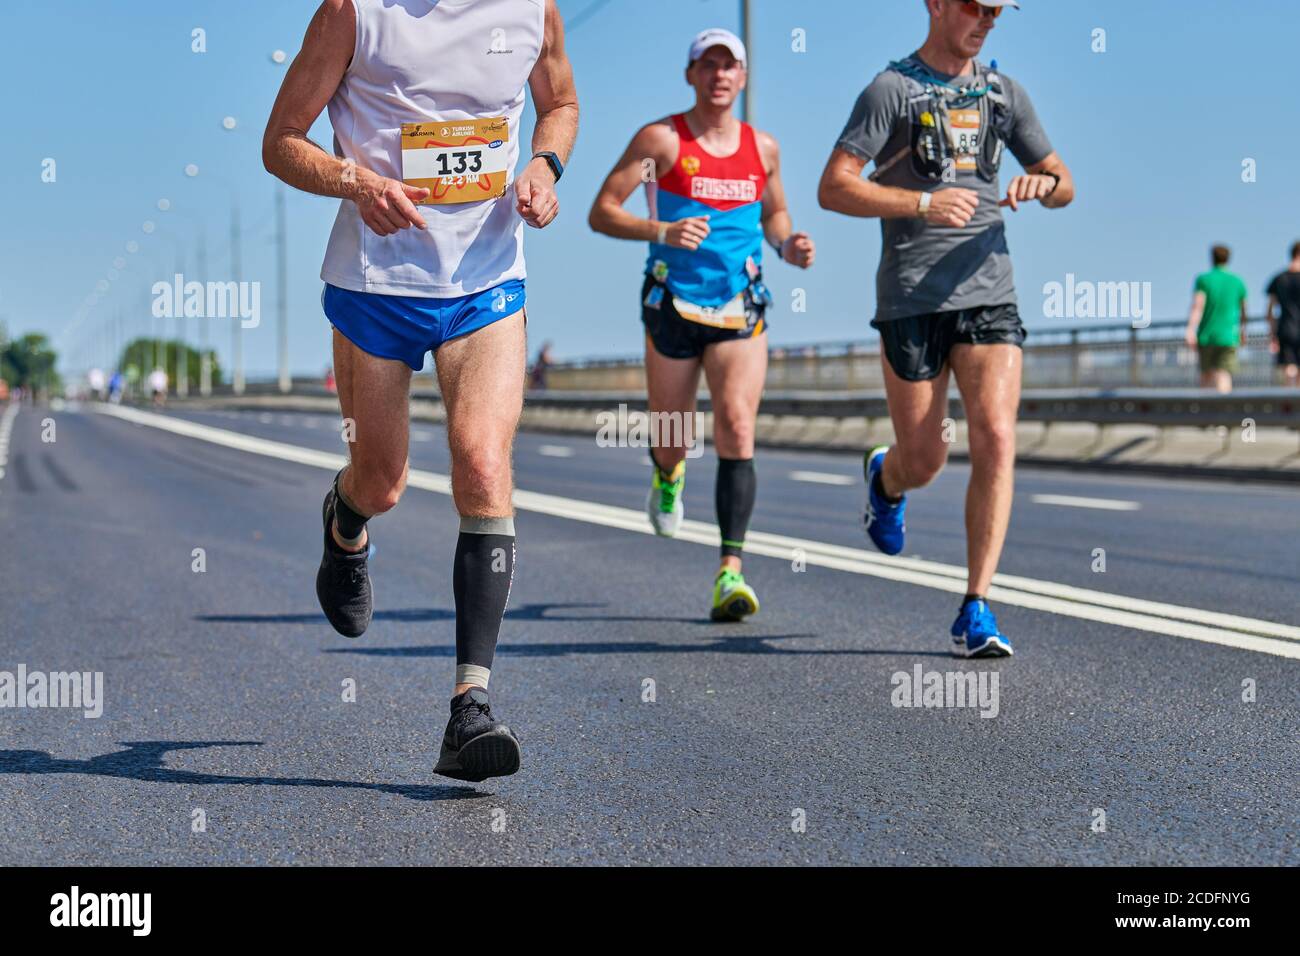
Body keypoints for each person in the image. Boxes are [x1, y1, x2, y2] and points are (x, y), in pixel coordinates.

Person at [262, 0, 577, 782]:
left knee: (481, 466)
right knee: (385, 481)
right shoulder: (353, 12)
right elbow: (280, 144)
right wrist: (353, 178)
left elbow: (560, 104)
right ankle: (346, 524)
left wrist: (545, 164)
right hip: (376, 286)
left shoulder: (532, 10)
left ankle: (471, 705)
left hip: (487, 283)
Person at [817, 0, 1073, 657]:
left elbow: (1063, 179)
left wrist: (1040, 186)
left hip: (990, 290)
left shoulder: (1002, 93)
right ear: (935, 4)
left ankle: (976, 606)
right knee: (926, 459)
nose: (987, 20)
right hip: (911, 297)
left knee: (994, 433)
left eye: (997, 11)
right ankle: (887, 479)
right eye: (975, 6)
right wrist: (921, 203)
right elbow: (835, 187)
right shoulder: (891, 90)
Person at [588, 28, 815, 622]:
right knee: (673, 436)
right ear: (690, 74)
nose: (719, 74)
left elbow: (776, 211)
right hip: (673, 302)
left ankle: (729, 572)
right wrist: (661, 231)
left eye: (730, 65)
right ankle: (668, 476)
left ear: (743, 78)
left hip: (741, 304)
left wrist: (789, 244)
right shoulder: (660, 141)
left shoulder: (762, 147)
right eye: (708, 64)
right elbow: (603, 210)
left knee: (737, 426)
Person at [1186, 245, 1249, 393]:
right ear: (1228, 259)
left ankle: (1205, 413)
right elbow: (1244, 311)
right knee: (1224, 374)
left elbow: (1197, 306)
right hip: (1229, 335)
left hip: (1207, 334)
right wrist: (1242, 330)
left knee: (1206, 375)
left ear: (1212, 258)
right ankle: (1226, 411)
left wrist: (1190, 329)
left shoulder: (1203, 280)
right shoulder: (1237, 282)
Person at [1265, 242, 1300, 388]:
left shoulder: (1278, 279)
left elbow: (1270, 311)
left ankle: (1289, 405)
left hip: (1286, 328)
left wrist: (1272, 334)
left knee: (1288, 369)